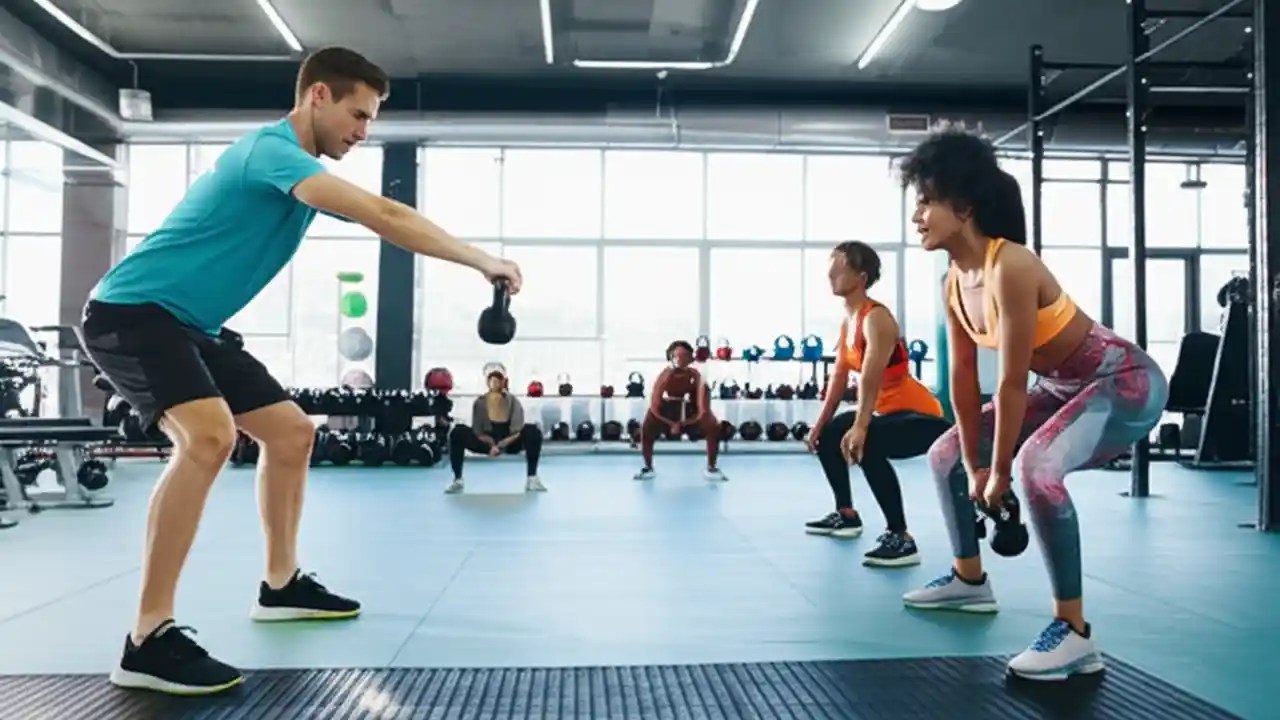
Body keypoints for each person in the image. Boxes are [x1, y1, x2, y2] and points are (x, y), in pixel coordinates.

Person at [80, 47, 523, 696]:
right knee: (207, 438)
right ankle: (147, 638)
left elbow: (380, 217)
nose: (363, 131)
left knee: (292, 434)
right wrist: (481, 260)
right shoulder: (269, 152)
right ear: (318, 95)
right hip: (132, 313)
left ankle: (281, 584)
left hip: (193, 328)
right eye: (358, 114)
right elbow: (386, 216)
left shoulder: (298, 171)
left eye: (371, 120)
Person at [897, 126, 1168, 681]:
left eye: (926, 201)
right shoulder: (955, 280)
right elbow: (964, 380)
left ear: (964, 205)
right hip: (1064, 386)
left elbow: (1013, 382)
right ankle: (969, 580)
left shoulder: (1011, 265)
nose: (916, 215)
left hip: (1124, 383)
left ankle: (1074, 633)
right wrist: (973, 464)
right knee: (945, 455)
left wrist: (997, 472)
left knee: (1035, 469)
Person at [804, 241, 951, 567]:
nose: (831, 271)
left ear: (861, 276)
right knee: (830, 434)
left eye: (839, 265)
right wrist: (818, 426)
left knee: (865, 440)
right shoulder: (849, 323)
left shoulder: (876, 318)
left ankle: (900, 537)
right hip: (885, 411)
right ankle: (846, 513)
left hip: (920, 416)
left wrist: (860, 425)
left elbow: (868, 378)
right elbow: (839, 380)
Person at [633, 341, 726, 481]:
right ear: (671, 357)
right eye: (678, 356)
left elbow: (702, 410)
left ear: (690, 358)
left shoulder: (696, 376)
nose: (681, 359)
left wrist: (684, 423)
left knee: (713, 426)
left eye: (685, 356)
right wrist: (671, 423)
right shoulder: (665, 375)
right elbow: (654, 406)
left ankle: (711, 468)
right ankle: (648, 467)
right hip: (666, 413)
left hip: (689, 412)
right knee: (647, 426)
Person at [445, 364, 546, 493]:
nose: (495, 383)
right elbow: (478, 430)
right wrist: (491, 445)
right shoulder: (480, 402)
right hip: (485, 442)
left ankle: (532, 478)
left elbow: (517, 429)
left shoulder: (513, 401)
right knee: (457, 432)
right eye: (492, 380)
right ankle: (457, 480)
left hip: (509, 441)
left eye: (498, 379)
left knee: (533, 431)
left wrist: (501, 445)